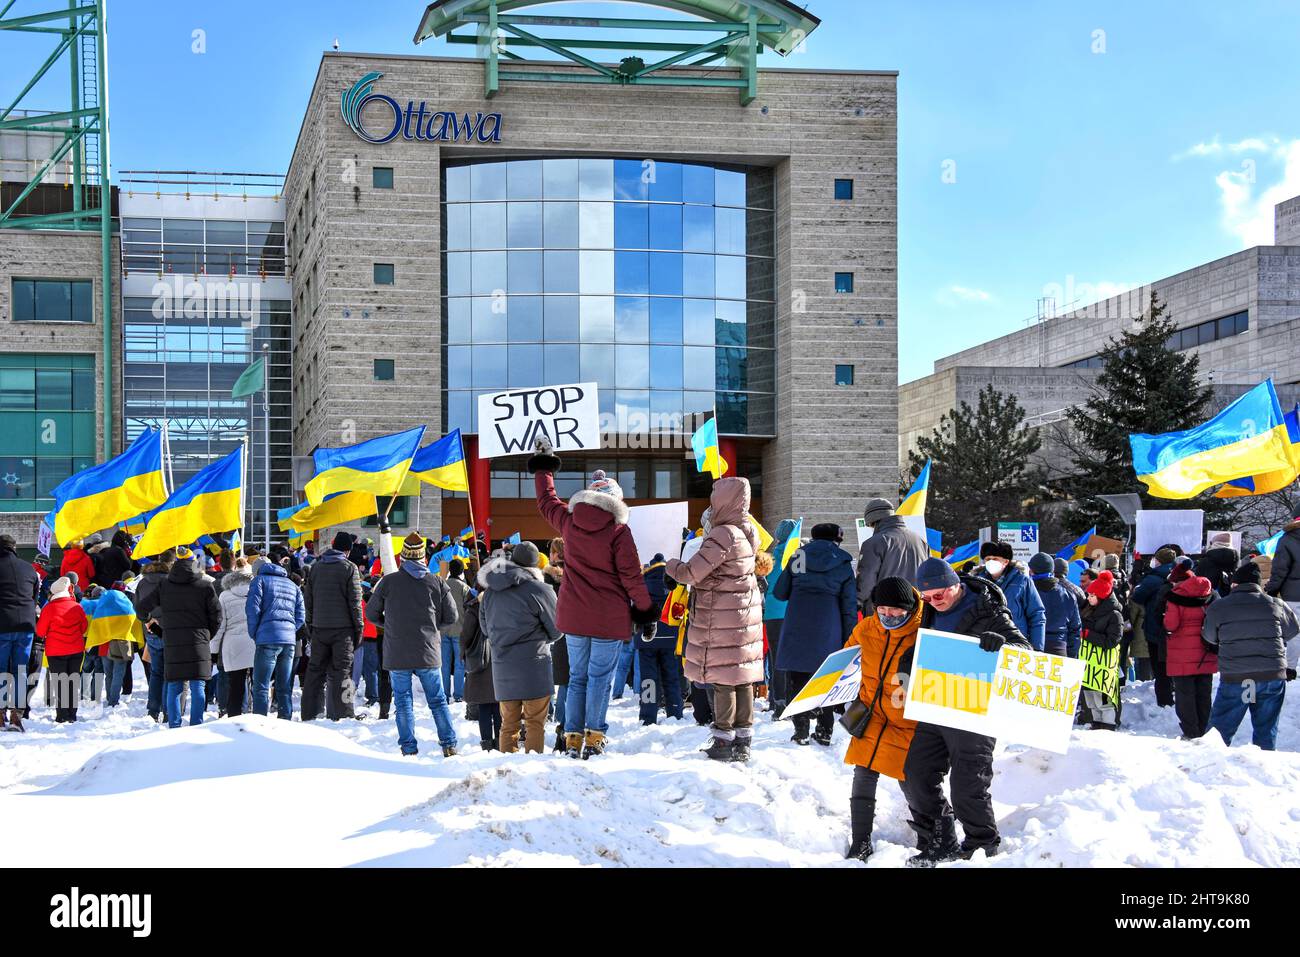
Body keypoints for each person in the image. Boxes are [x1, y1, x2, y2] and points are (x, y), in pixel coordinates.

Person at [527, 442, 655, 760]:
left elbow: (546, 501)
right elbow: (631, 578)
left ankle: (572, 737)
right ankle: (595, 736)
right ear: (615, 501)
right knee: (600, 678)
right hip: (609, 619)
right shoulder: (618, 532)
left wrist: (544, 467)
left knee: (577, 677)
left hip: (574, 616)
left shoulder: (570, 522)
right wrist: (646, 610)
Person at [903, 558, 1030, 865]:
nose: (934, 602)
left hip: (975, 706)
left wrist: (1002, 645)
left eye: (939, 595)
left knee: (967, 784)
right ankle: (940, 840)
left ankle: (982, 843)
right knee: (914, 774)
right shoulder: (931, 612)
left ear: (955, 586)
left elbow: (1024, 651)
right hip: (935, 702)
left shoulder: (989, 610)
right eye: (927, 598)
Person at [665, 476, 765, 763]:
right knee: (742, 677)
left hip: (722, 617)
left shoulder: (724, 534)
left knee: (723, 678)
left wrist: (669, 564)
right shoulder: (748, 531)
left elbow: (691, 573)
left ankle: (723, 740)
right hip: (743, 616)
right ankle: (743, 741)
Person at [843, 577, 924, 861]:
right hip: (872, 713)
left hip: (908, 719)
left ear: (910, 609)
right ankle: (860, 841)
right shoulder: (867, 627)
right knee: (863, 772)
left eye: (896, 612)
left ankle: (930, 837)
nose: (888, 616)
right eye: (882, 611)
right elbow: (846, 658)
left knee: (913, 781)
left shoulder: (925, 631)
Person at [364, 533, 460, 757]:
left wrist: (389, 625)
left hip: (397, 652)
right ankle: (449, 744)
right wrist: (434, 628)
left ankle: (408, 748)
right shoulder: (437, 582)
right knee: (437, 700)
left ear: (404, 558)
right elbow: (452, 616)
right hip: (428, 650)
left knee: (403, 701)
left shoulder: (389, 582)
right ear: (423, 558)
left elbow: (370, 613)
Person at [773, 523, 857, 746]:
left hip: (797, 622)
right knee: (826, 678)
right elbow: (849, 606)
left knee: (798, 676)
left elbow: (780, 592)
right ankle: (824, 730)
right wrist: (850, 638)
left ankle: (800, 730)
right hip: (829, 625)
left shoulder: (799, 556)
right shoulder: (843, 561)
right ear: (837, 539)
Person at [1202, 561, 1299, 751]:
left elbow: (1210, 638)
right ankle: (1265, 766)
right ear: (1259, 584)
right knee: (1266, 728)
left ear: (1235, 584)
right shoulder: (1276, 604)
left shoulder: (1219, 606)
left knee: (1219, 731)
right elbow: (1292, 631)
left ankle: (1209, 765)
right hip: (1272, 673)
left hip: (1235, 675)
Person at [477, 542, 561, 753]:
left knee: (508, 726)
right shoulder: (541, 590)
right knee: (535, 724)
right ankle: (531, 774)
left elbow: (486, 629)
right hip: (535, 665)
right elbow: (557, 628)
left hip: (502, 665)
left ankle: (507, 776)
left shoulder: (490, 591)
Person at [136, 547, 221, 728]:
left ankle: (174, 726)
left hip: (173, 640)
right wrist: (207, 635)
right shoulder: (205, 585)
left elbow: (142, 609)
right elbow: (217, 616)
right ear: (194, 563)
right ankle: (196, 725)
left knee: (175, 685)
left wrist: (151, 623)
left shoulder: (165, 585)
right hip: (198, 639)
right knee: (198, 686)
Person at [302, 531, 363, 721]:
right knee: (343, 672)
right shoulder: (349, 568)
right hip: (343, 631)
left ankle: (311, 714)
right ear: (347, 550)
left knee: (314, 673)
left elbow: (308, 601)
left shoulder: (316, 568)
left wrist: (311, 626)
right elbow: (355, 603)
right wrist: (358, 629)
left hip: (320, 628)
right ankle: (344, 713)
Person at [246, 551, 306, 720]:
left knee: (261, 686)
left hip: (266, 638)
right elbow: (301, 615)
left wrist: (255, 633)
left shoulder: (259, 581)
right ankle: (285, 721)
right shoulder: (292, 585)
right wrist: (290, 630)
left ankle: (259, 722)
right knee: (284, 686)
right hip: (288, 640)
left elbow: (252, 610)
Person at [1162, 573, 1217, 739]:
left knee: (1185, 694)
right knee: (1204, 693)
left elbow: (1171, 624)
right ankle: (1203, 728)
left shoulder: (1175, 597)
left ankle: (1191, 731)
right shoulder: (1212, 597)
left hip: (1181, 653)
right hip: (1206, 651)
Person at [855, 498, 927, 615]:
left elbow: (866, 580)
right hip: (915, 609)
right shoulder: (920, 540)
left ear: (873, 521)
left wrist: (856, 602)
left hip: (884, 611)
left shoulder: (873, 543)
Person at [975, 541, 1046, 651]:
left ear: (1006, 561)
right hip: (985, 643)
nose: (991, 562)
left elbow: (1036, 615)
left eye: (995, 559)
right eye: (988, 559)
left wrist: (1037, 648)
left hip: (1015, 643)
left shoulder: (1022, 581)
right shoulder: (976, 582)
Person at [638, 552, 683, 725]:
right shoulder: (674, 583)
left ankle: (648, 716)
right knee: (671, 676)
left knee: (648, 678)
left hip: (646, 637)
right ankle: (675, 711)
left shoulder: (641, 583)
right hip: (670, 636)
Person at [0, 533, 39, 731]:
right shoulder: (29, 569)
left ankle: (0, 713)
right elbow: (34, 597)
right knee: (20, 670)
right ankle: (17, 713)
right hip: (26, 626)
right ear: (14, 548)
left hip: (2, 625)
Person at [1131, 547, 1178, 707]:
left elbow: (1137, 596)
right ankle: (1173, 696)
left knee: (1160, 669)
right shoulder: (1181, 575)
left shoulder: (1153, 578)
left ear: (1158, 561)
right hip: (1176, 629)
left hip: (1155, 628)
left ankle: (1164, 702)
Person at [37, 576, 88, 723]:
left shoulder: (49, 608)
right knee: (73, 681)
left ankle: (62, 715)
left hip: (56, 651)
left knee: (60, 683)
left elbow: (40, 632)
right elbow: (84, 628)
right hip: (76, 650)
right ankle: (72, 714)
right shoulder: (77, 607)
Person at [1078, 570, 1124, 729]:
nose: (1088, 597)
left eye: (1092, 595)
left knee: (1103, 698)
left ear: (1101, 596)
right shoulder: (1088, 609)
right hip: (1089, 665)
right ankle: (1097, 724)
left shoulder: (1114, 615)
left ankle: (1108, 726)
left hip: (1104, 666)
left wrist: (1088, 635)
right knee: (1091, 698)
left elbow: (1113, 640)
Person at [762, 519, 799, 715]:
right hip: (793, 613)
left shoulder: (770, 557)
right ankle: (792, 700)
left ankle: (777, 702)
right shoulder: (798, 556)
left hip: (772, 614)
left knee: (776, 658)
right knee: (793, 658)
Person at [134, 551, 174, 722]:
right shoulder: (170, 582)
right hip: (169, 629)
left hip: (151, 630)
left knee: (156, 672)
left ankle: (153, 710)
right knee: (168, 673)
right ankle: (167, 710)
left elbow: (137, 608)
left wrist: (148, 620)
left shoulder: (142, 583)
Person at [213, 556, 256, 717]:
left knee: (235, 686)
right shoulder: (257, 591)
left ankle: (234, 717)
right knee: (257, 685)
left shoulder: (225, 595)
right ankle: (256, 715)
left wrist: (213, 649)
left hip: (232, 644)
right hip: (254, 641)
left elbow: (220, 625)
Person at [459, 585, 499, 750]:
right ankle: (499, 741)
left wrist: (463, 654)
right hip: (499, 659)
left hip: (479, 660)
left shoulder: (474, 608)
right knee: (498, 705)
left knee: (484, 706)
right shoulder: (501, 605)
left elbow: (465, 635)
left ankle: (486, 743)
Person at [1028, 552, 1080, 657]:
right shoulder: (1068, 594)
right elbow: (1075, 629)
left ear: (1032, 571)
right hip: (1059, 648)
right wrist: (1072, 657)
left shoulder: (1026, 592)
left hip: (1031, 647)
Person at [542, 537, 568, 750]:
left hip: (554, 630)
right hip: (575, 628)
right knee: (570, 679)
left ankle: (558, 716)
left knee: (555, 677)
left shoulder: (547, 578)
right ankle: (565, 720)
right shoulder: (574, 574)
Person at [441, 559, 470, 704]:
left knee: (444, 665)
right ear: (461, 572)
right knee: (460, 665)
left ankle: (445, 695)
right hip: (460, 630)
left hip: (443, 630)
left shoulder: (442, 586)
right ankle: (458, 695)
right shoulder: (465, 588)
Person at [1265, 516, 1300, 620]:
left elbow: (1280, 570)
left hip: (1294, 595)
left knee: (1295, 632)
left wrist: (1271, 590)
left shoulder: (1287, 538)